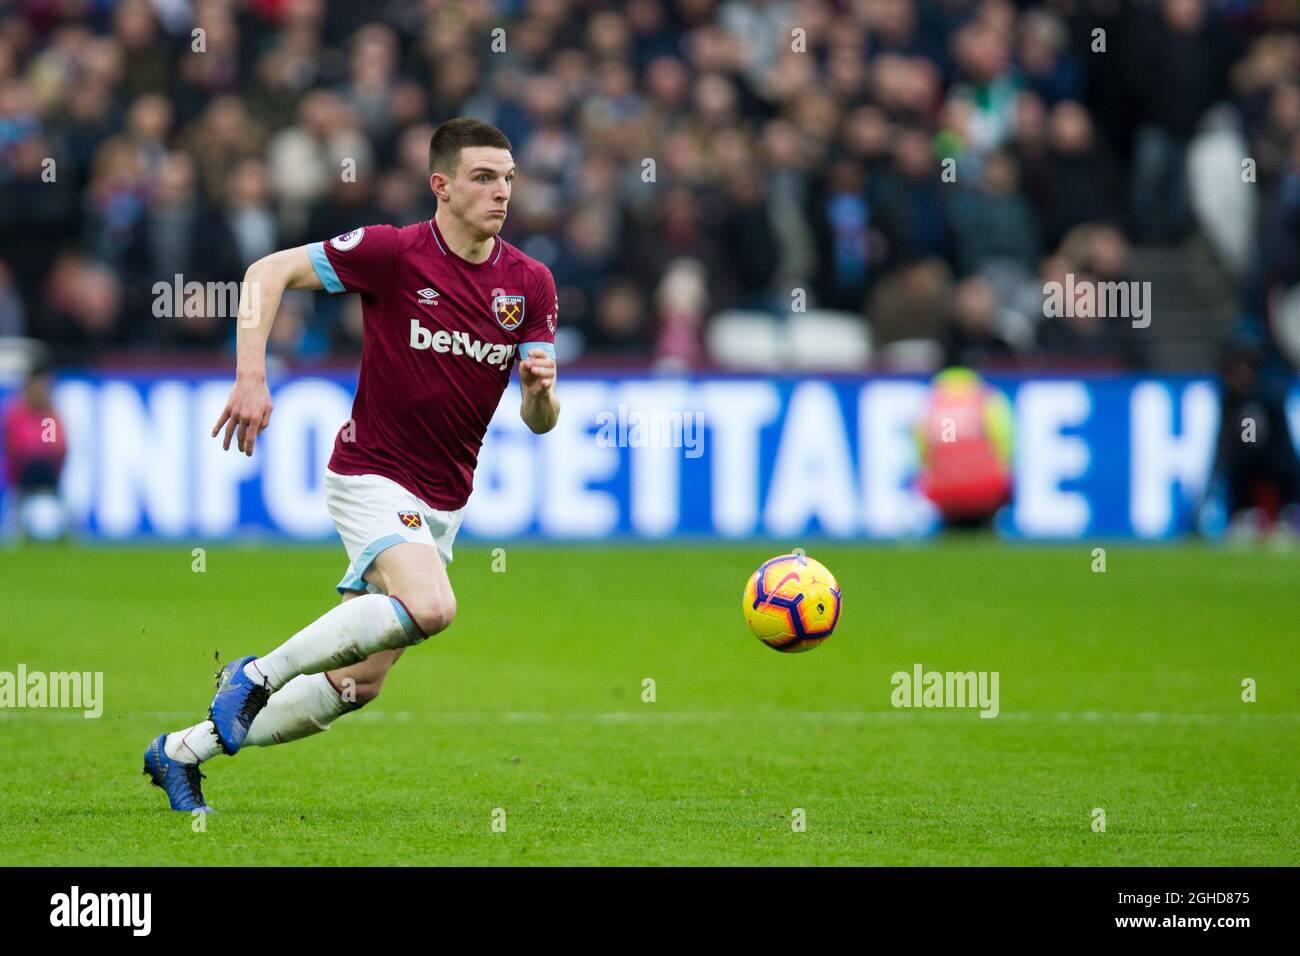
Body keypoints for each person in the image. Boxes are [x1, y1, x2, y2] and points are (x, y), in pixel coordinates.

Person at [143, 117, 561, 812]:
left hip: (444, 500)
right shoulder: (393, 253)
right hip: (371, 470)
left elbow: (540, 424)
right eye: (484, 178)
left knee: (355, 686)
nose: (501, 194)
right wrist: (251, 374)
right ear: (442, 186)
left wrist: (541, 393)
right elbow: (265, 271)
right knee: (431, 606)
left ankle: (180, 752)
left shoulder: (531, 283)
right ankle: (253, 674)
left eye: (509, 179)